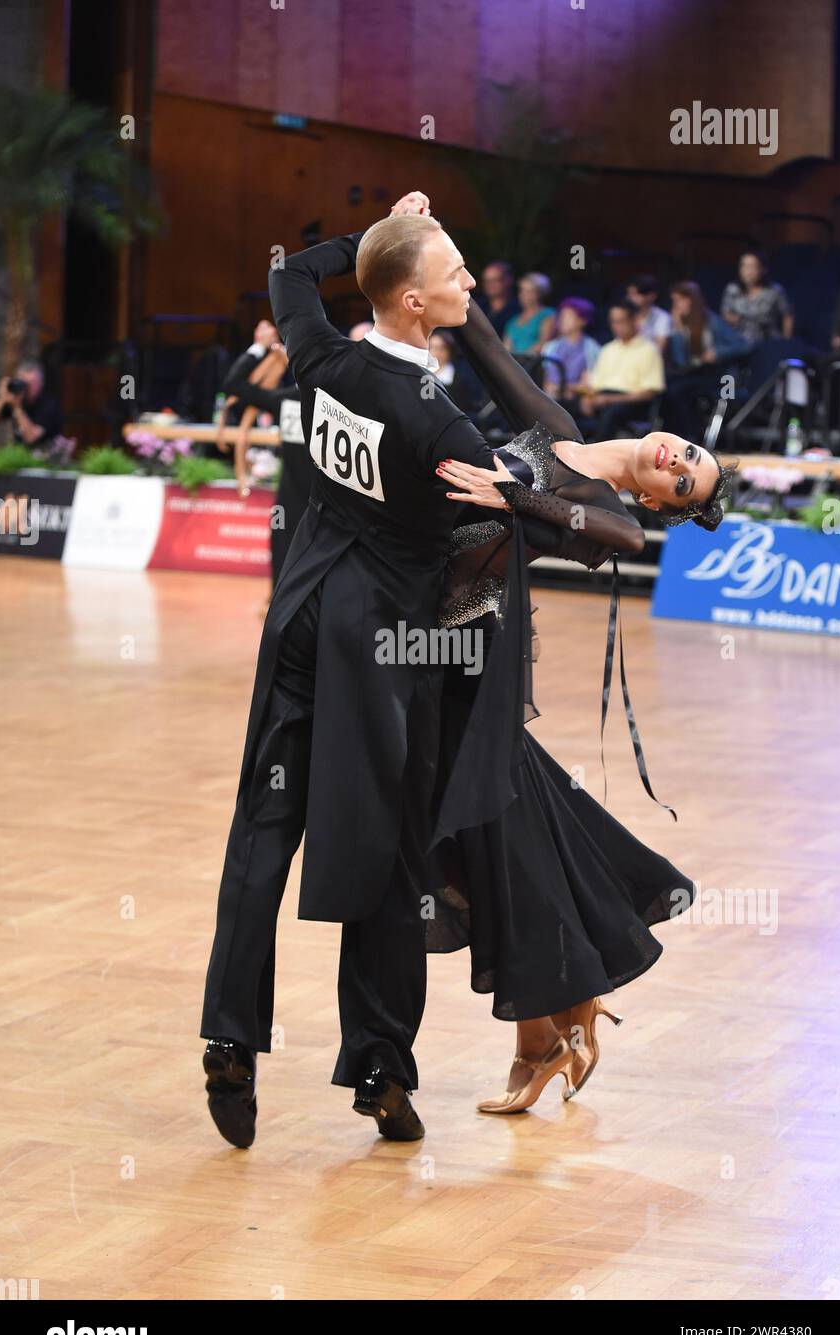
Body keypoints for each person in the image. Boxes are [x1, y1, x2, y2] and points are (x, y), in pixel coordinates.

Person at [198, 193, 586, 1146]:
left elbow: (292, 270)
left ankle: (229, 1041)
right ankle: (378, 1065)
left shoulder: (323, 352)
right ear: (413, 301)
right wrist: (557, 493)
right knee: (388, 853)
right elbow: (527, 498)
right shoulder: (438, 423)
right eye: (453, 272)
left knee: (263, 830)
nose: (468, 282)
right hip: (382, 651)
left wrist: (375, 234)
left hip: (298, 619)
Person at [427, 298, 735, 1111]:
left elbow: (621, 542)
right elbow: (484, 340)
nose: (675, 460)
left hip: (473, 657)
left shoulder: (614, 519)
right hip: (426, 640)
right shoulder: (552, 425)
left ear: (665, 501)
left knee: (490, 838)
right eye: (689, 455)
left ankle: (551, 1026)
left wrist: (511, 495)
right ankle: (566, 1010)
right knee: (517, 834)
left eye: (682, 480)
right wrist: (429, 243)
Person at [217, 319, 309, 585]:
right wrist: (258, 348)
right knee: (281, 544)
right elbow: (234, 385)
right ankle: (278, 601)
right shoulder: (287, 399)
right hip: (291, 498)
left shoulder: (340, 399)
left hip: (328, 502)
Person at [662, 281, 748, 440]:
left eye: (678, 301)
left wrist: (718, 353)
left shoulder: (712, 321)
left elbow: (743, 345)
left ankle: (691, 436)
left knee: (678, 391)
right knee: (670, 389)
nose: (675, 305)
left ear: (689, 300)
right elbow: (681, 363)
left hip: (718, 375)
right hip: (693, 373)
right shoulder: (679, 325)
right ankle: (683, 435)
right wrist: (679, 330)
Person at [579, 300, 665, 441]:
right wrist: (586, 398)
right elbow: (595, 384)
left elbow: (649, 393)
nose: (616, 326)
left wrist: (610, 399)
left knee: (612, 412)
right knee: (564, 404)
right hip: (602, 397)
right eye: (613, 322)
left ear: (634, 320)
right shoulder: (607, 349)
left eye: (621, 321)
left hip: (631, 402)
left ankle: (592, 452)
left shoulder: (649, 350)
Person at [720, 251, 794, 345]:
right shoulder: (732, 289)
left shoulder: (775, 290)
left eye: (751, 266)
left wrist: (786, 342)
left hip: (768, 340)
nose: (747, 271)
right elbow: (725, 315)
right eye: (744, 266)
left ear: (763, 269)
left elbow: (788, 315)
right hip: (738, 342)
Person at [540, 297, 601, 400]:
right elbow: (544, 379)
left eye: (568, 316)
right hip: (550, 397)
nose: (562, 320)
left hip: (575, 399)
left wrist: (566, 389)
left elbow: (589, 383)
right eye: (561, 316)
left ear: (582, 320)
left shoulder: (591, 348)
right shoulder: (551, 347)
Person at [0, 361, 63, 448]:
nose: (27, 388)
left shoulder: (49, 404)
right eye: (23, 383)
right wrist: (3, 398)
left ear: (41, 383)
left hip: (45, 455)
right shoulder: (16, 399)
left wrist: (17, 408)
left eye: (32, 383)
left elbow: (30, 438)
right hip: (21, 454)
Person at [503, 273, 556, 354]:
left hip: (535, 363)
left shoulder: (548, 315)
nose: (524, 295)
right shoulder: (513, 320)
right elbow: (506, 347)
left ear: (540, 293)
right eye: (522, 290)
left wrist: (521, 360)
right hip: (513, 363)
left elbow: (544, 343)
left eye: (529, 291)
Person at [626, 274, 672, 352]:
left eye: (635, 294)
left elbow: (659, 349)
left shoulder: (662, 317)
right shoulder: (626, 315)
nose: (630, 298)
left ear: (651, 296)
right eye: (629, 294)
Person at [476, 260, 519, 337]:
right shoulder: (477, 306)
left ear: (509, 280)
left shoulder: (520, 309)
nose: (490, 285)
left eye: (495, 280)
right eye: (486, 281)